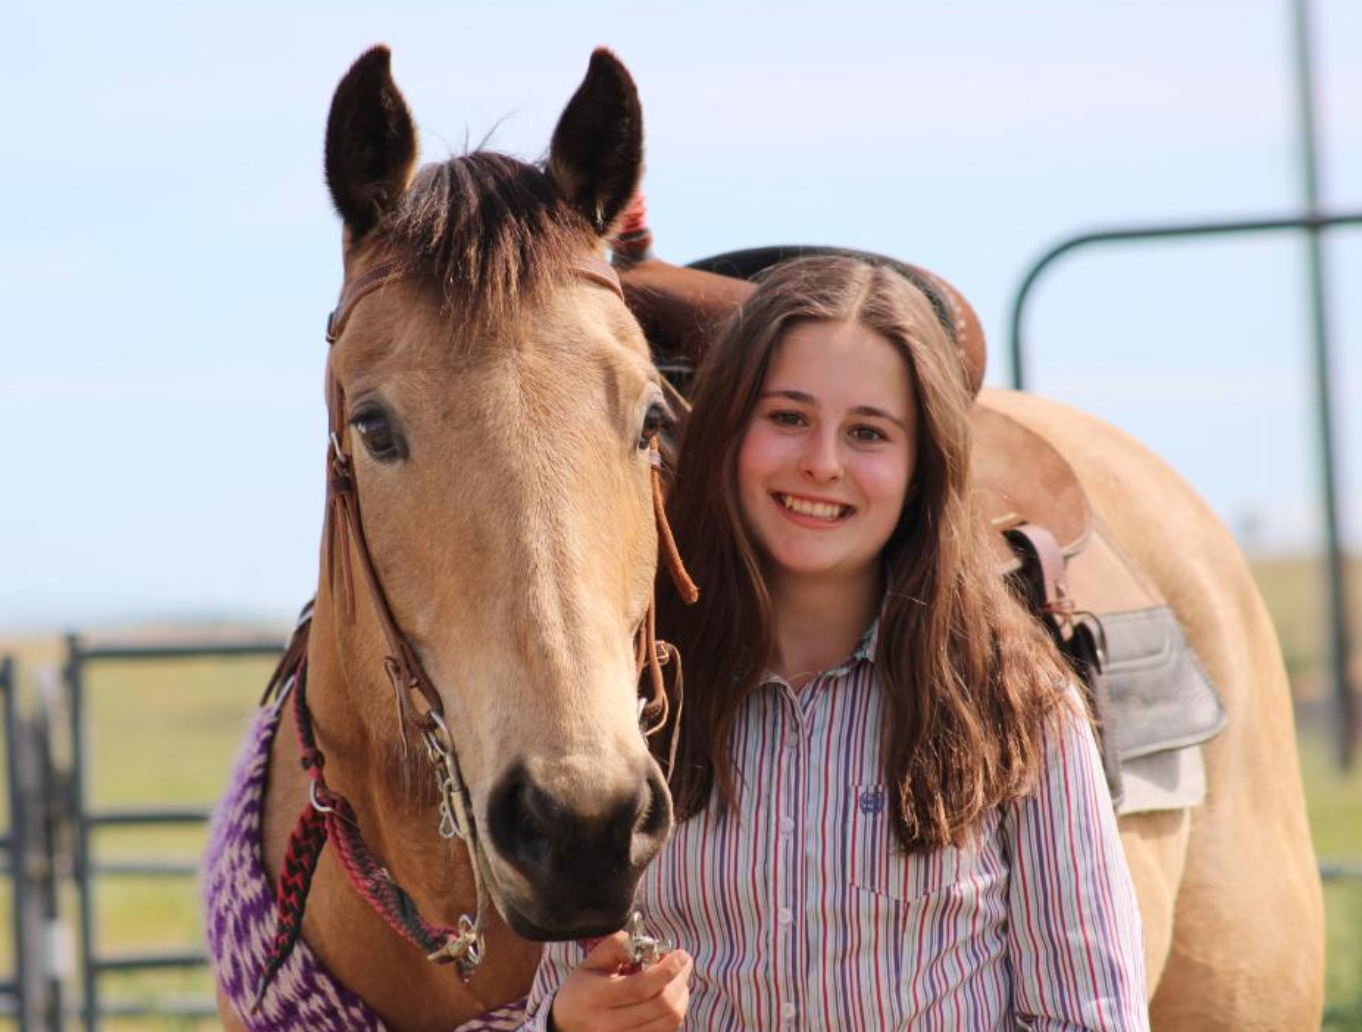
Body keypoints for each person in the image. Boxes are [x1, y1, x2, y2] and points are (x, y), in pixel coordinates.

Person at [522, 255, 1149, 1031]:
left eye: (868, 432)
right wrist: (563, 1026)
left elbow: (1089, 1017)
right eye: (787, 417)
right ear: (726, 431)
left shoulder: (1020, 706)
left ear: (922, 466)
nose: (822, 462)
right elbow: (563, 987)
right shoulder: (627, 713)